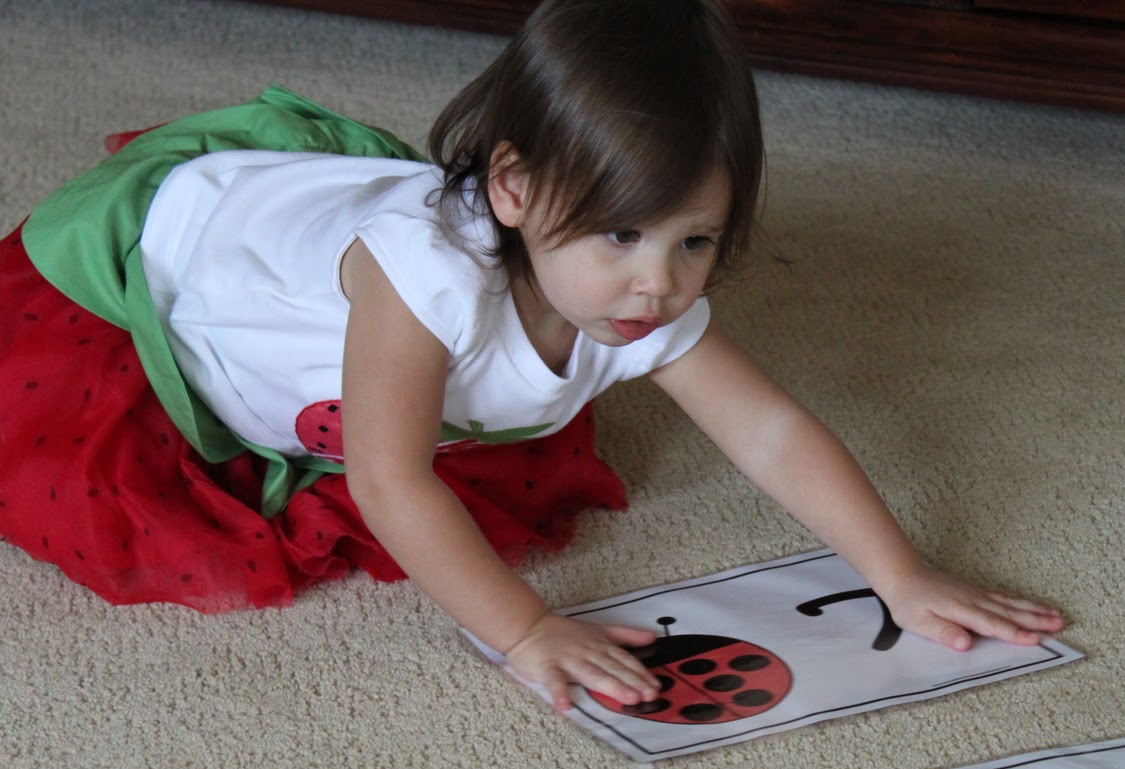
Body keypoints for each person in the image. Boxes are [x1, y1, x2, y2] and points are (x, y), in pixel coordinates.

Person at [1, 0, 1063, 711]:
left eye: (694, 239)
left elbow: (769, 427)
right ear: (511, 192)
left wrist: (900, 572)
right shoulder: (427, 276)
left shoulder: (637, 298)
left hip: (425, 296)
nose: (660, 285)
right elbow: (386, 474)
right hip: (186, 266)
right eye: (620, 236)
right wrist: (524, 630)